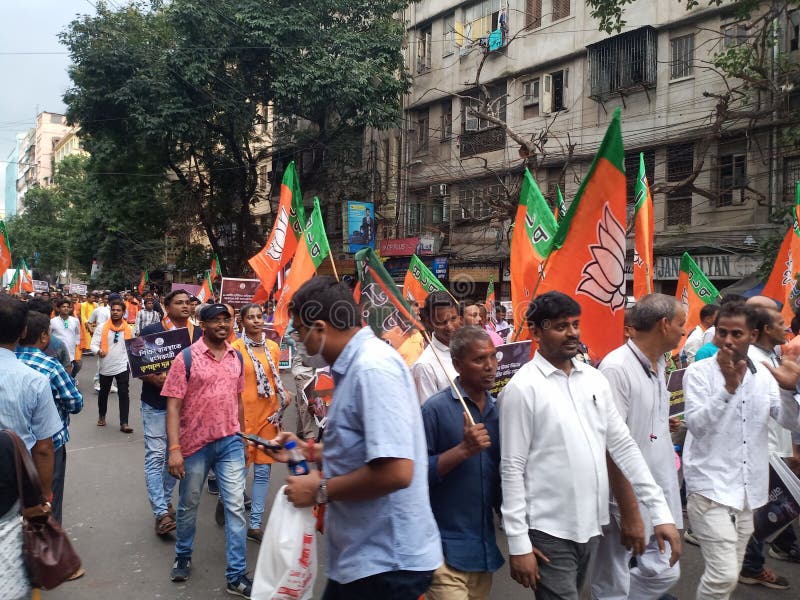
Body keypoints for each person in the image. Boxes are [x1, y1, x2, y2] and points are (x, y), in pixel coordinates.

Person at [266, 276, 442, 599]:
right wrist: (307, 450)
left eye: (299, 332)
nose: (296, 342)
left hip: (387, 562)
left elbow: (396, 471)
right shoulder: (354, 367)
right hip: (364, 557)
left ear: (320, 328)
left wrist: (319, 490)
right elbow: (364, 446)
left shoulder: (372, 369)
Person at [500, 291, 681, 599]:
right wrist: (518, 543)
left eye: (575, 324)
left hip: (592, 524)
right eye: (560, 326)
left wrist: (660, 512)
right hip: (548, 529)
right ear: (535, 332)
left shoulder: (593, 380)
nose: (572, 333)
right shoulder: (522, 389)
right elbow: (512, 468)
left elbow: (623, 446)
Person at [683, 301, 800, 599]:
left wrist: (788, 390)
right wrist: (728, 389)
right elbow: (696, 426)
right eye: (722, 332)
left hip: (750, 491)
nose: (728, 340)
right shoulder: (698, 372)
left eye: (737, 333)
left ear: (753, 335)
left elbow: (788, 420)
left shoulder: (764, 374)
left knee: (730, 575)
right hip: (709, 489)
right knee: (722, 576)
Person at [591, 294, 686, 600]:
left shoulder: (658, 364)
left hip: (655, 489)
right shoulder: (617, 369)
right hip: (626, 496)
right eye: (681, 324)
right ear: (664, 324)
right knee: (613, 576)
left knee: (664, 568)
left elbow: (643, 428)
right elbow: (612, 446)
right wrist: (629, 510)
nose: (684, 332)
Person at [163, 303, 251, 597]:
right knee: (189, 504)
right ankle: (183, 554)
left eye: (227, 319)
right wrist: (174, 449)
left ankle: (236, 575)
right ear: (203, 324)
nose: (223, 324)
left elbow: (238, 400)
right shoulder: (185, 359)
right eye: (216, 320)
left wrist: (244, 437)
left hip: (229, 443)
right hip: (194, 445)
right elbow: (173, 406)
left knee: (236, 506)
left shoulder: (236, 356)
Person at [422, 326, 502, 600]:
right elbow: (413, 474)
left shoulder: (498, 410)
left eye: (493, 357)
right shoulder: (435, 409)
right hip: (443, 551)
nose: (490, 366)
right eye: (479, 359)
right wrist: (463, 450)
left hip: (483, 552)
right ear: (457, 364)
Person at [139, 290, 202, 537]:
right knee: (155, 456)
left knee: (174, 457)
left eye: (188, 303)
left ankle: (164, 502)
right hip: (155, 404)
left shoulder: (198, 334)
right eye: (179, 302)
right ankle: (161, 513)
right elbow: (137, 365)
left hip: (185, 407)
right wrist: (156, 379)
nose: (185, 306)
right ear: (166, 306)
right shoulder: (151, 331)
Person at [16, 311, 84, 526]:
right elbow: (75, 403)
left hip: (12, 445)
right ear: (44, 336)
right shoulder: (50, 366)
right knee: (48, 500)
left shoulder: (11, 361)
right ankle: (48, 548)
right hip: (49, 445)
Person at [231, 303, 288, 543]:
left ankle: (254, 524)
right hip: (242, 419)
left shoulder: (274, 347)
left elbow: (275, 380)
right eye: (250, 317)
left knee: (263, 471)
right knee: (239, 473)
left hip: (268, 417)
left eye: (259, 316)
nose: (256, 320)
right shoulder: (234, 348)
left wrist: (284, 395)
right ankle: (230, 507)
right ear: (242, 322)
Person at [0, 295, 62, 511]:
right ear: (24, 331)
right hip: (16, 484)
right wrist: (44, 496)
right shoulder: (35, 380)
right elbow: (44, 447)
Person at [90, 298, 132, 432]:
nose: (115, 312)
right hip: (106, 365)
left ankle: (124, 423)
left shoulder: (128, 329)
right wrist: (98, 351)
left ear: (123, 312)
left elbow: (132, 347)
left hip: (122, 365)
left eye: (118, 310)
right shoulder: (102, 327)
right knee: (104, 393)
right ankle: (102, 416)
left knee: (124, 394)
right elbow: (93, 344)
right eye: (113, 310)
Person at [412, 291, 461, 403]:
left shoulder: (469, 349)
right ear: (430, 323)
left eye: (453, 319)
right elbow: (429, 414)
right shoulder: (425, 366)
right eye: (442, 322)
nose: (449, 327)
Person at [288, 320, 320, 441]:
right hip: (302, 372)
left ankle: (301, 431)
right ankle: (308, 434)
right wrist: (298, 341)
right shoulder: (298, 323)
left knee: (302, 402)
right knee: (305, 403)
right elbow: (287, 335)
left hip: (314, 372)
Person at [50, 298, 82, 377]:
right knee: (59, 369)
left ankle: (71, 378)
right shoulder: (53, 321)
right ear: (58, 309)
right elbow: (49, 335)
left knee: (76, 365)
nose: (66, 308)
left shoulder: (75, 320)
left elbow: (77, 333)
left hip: (71, 349)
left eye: (68, 307)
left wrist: (77, 344)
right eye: (63, 307)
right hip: (57, 350)